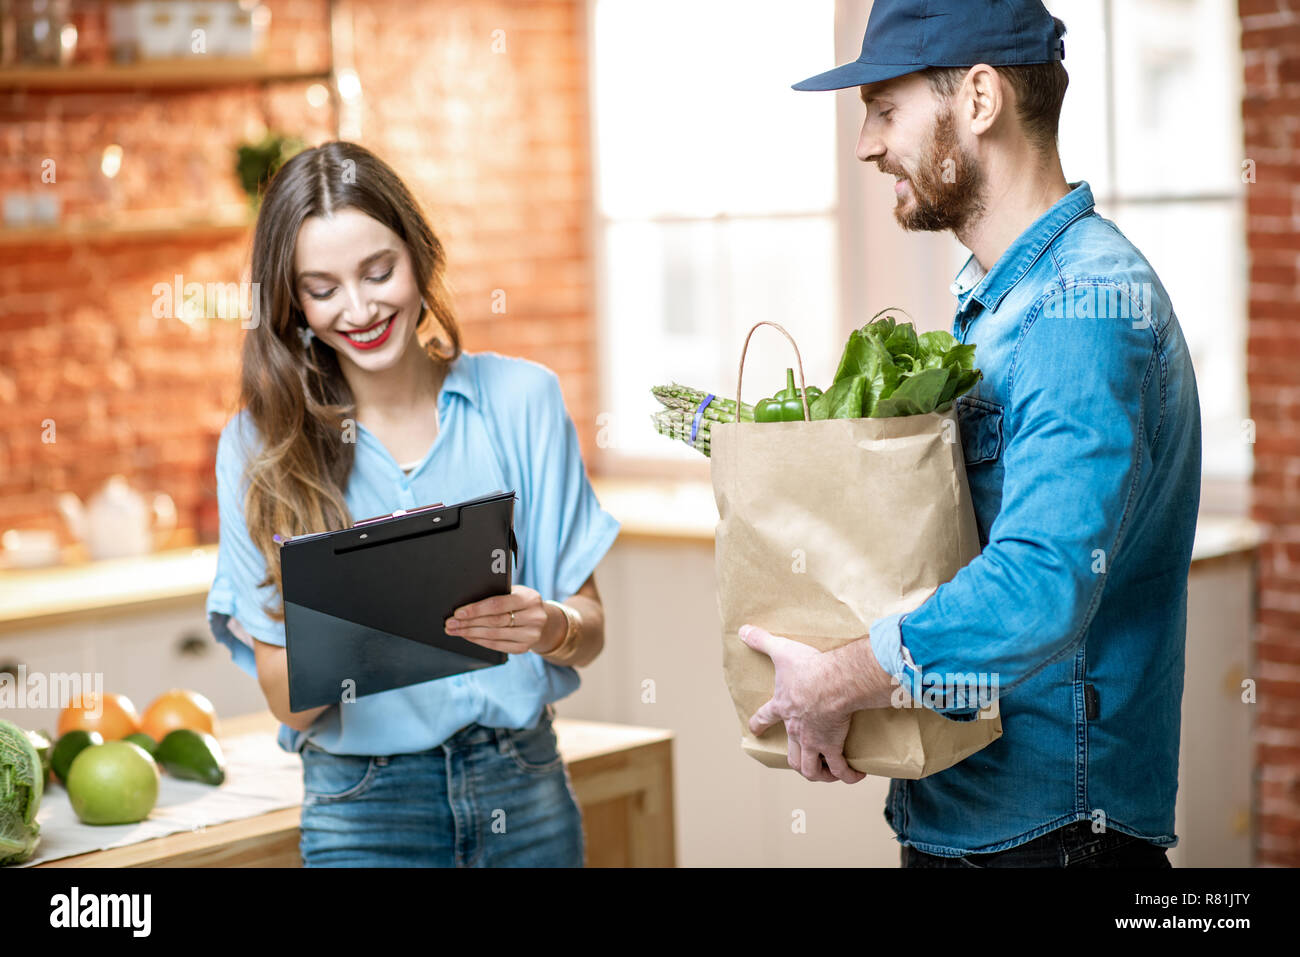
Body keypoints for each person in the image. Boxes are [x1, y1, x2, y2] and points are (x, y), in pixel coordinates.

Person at [739, 0, 1199, 867]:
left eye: (885, 108)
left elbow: (1040, 582)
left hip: (1049, 840)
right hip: (976, 821)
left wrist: (838, 678)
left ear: (979, 99)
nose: (867, 145)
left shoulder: (1079, 308)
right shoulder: (997, 307)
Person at [205, 141, 620, 867]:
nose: (360, 309)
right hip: (365, 807)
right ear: (292, 301)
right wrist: (371, 621)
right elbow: (285, 699)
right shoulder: (257, 448)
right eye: (323, 287)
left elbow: (589, 628)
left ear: (419, 256)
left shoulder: (523, 401)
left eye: (378, 271)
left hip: (522, 785)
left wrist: (549, 623)